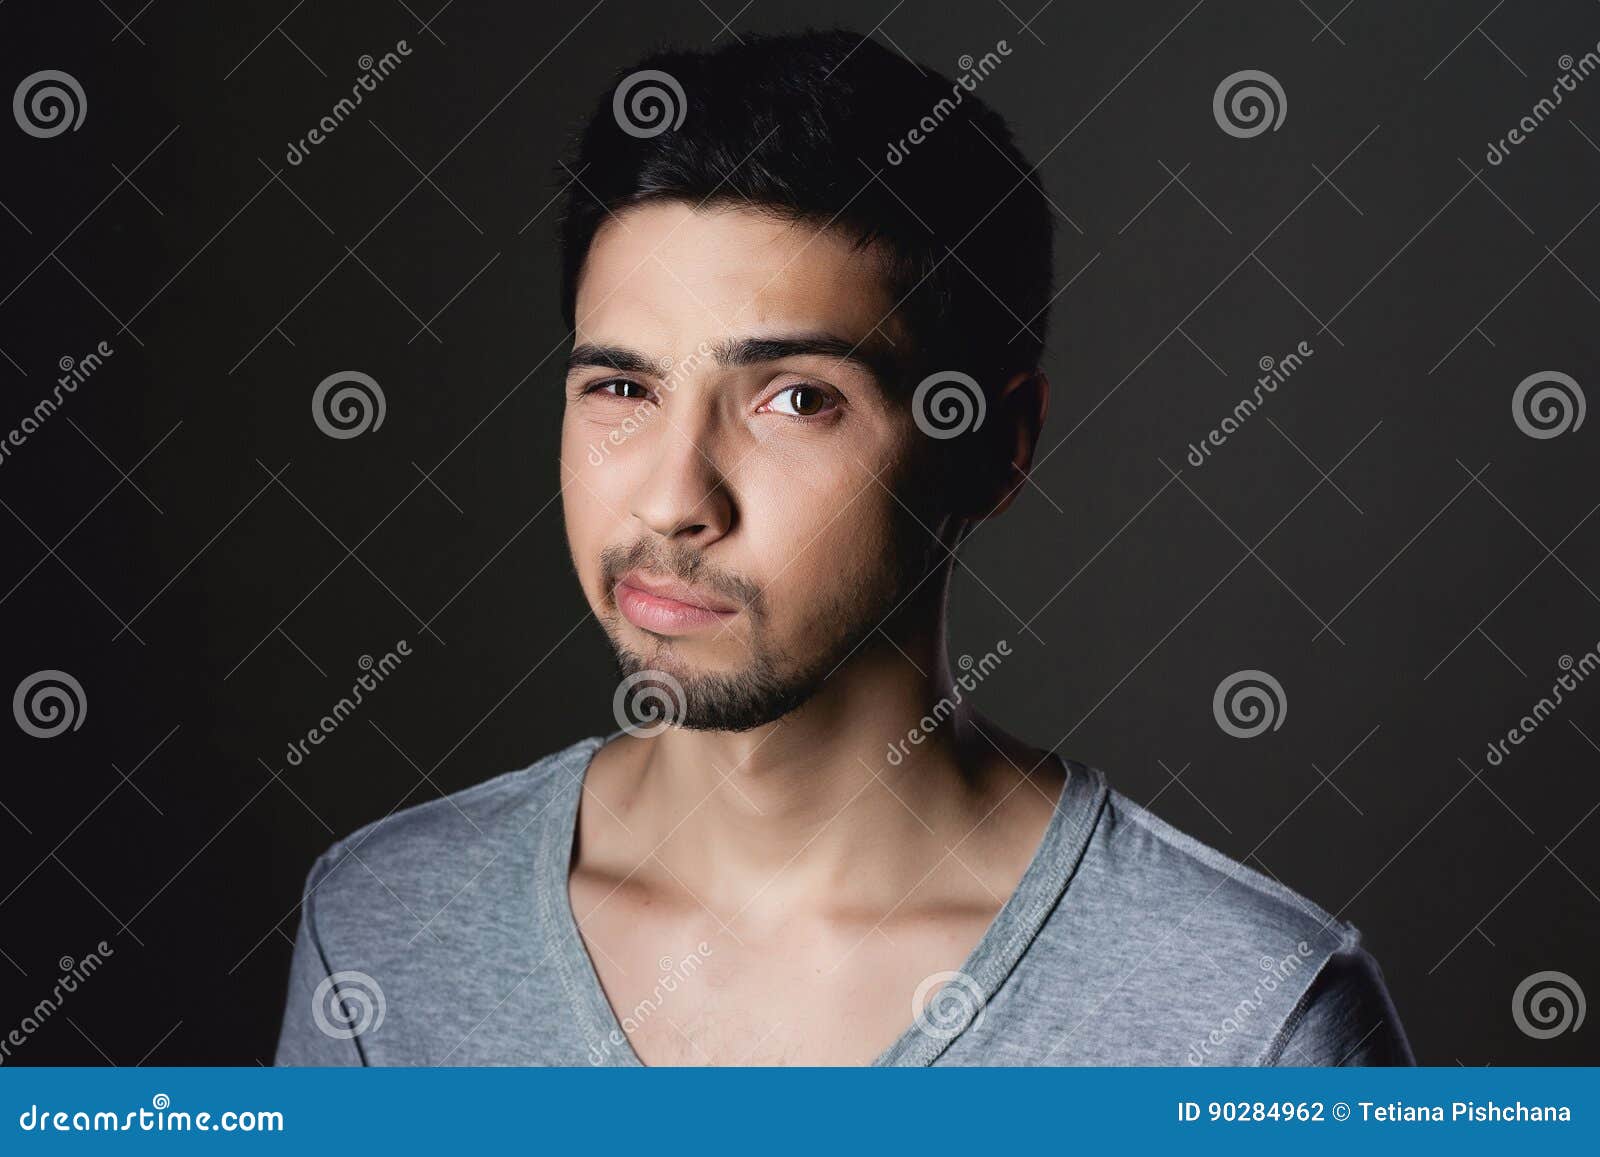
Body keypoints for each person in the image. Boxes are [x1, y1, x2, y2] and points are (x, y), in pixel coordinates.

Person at [274, 29, 1413, 1067]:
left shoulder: (1248, 1014)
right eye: (622, 386)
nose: (675, 501)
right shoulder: (388, 927)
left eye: (796, 400)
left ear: (992, 445)